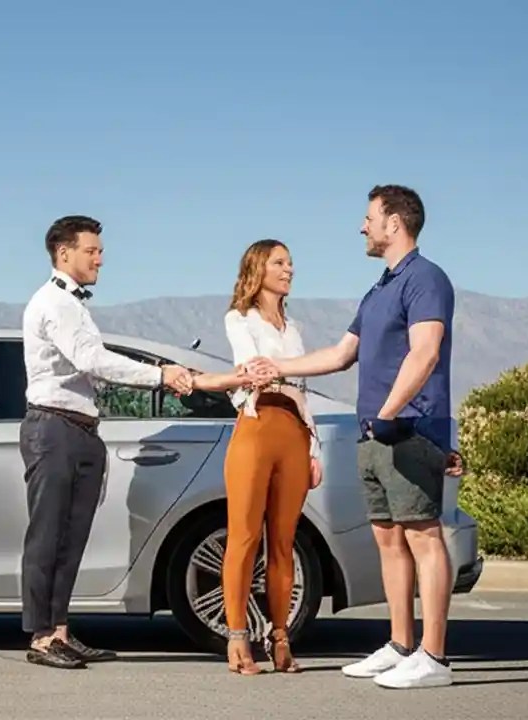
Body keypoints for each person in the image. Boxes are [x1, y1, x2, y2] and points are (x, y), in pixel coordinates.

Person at [263, 185, 464, 689]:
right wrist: (275, 368)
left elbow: (426, 353)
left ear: (394, 223)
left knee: (423, 535)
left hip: (411, 428)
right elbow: (338, 354)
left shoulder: (426, 279)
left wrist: (391, 411)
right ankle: (400, 646)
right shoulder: (378, 290)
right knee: (388, 537)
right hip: (375, 431)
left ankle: (435, 657)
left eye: (369, 217)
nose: (362, 226)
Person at [19, 214, 195, 669]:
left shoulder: (75, 305)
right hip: (54, 429)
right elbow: (91, 359)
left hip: (80, 431)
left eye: (100, 250)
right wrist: (160, 375)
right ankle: (41, 638)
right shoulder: (53, 303)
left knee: (71, 537)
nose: (101, 258)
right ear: (64, 254)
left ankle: (59, 630)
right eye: (91, 251)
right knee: (48, 536)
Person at [189, 239, 322, 676]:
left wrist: (314, 446)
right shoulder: (238, 318)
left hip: (294, 435)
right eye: (279, 262)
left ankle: (280, 637)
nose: (290, 269)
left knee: (284, 543)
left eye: (291, 262)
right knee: (244, 538)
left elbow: (300, 390)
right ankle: (237, 638)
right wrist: (274, 373)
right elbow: (253, 369)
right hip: (255, 428)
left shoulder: (294, 328)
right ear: (258, 269)